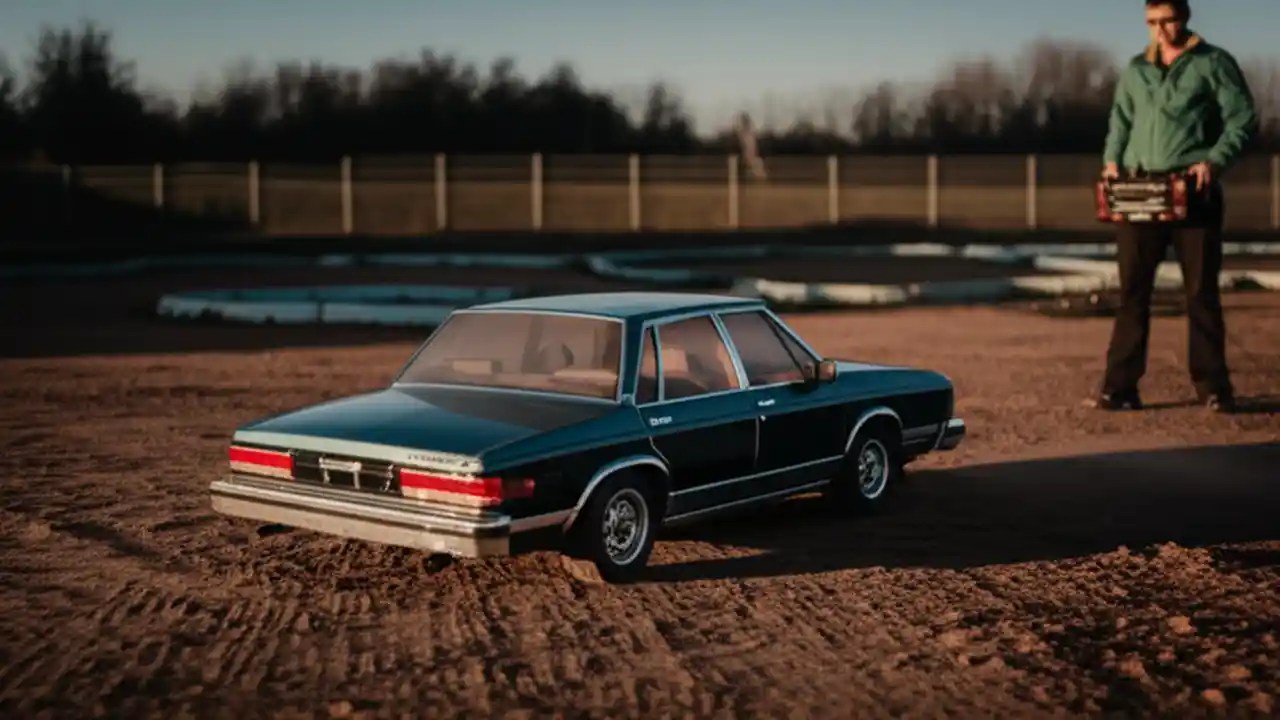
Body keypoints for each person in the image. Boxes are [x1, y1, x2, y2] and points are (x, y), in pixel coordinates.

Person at [1092, 0, 1258, 413]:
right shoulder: (1136, 70)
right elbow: (1120, 119)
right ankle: (1120, 388)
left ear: (1184, 19)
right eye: (1151, 23)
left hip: (1192, 192)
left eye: (1167, 20)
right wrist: (1112, 160)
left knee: (1200, 292)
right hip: (1138, 192)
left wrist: (1215, 161)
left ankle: (1213, 388)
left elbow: (1242, 119)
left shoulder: (1213, 63)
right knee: (1133, 292)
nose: (1160, 30)